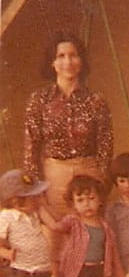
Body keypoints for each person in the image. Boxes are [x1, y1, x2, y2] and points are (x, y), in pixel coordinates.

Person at [22, 31, 112, 222]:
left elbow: (105, 145)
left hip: (89, 175)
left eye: (73, 55)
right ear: (52, 63)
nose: (68, 62)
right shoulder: (39, 100)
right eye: (61, 56)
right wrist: (36, 189)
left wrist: (101, 181)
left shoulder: (96, 101)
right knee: (58, 237)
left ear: (81, 61)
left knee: (91, 236)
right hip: (54, 177)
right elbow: (31, 147)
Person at [52, 175, 123, 277]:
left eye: (91, 198)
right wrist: (42, 206)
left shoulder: (106, 227)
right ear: (73, 204)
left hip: (99, 270)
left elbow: (114, 254)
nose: (86, 204)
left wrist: (120, 276)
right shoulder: (73, 222)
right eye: (80, 200)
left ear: (100, 200)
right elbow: (56, 226)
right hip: (76, 272)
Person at [0, 169, 53, 277]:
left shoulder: (34, 213)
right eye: (34, 197)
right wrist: (6, 253)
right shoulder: (7, 217)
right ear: (16, 201)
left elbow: (54, 225)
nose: (39, 199)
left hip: (44, 276)